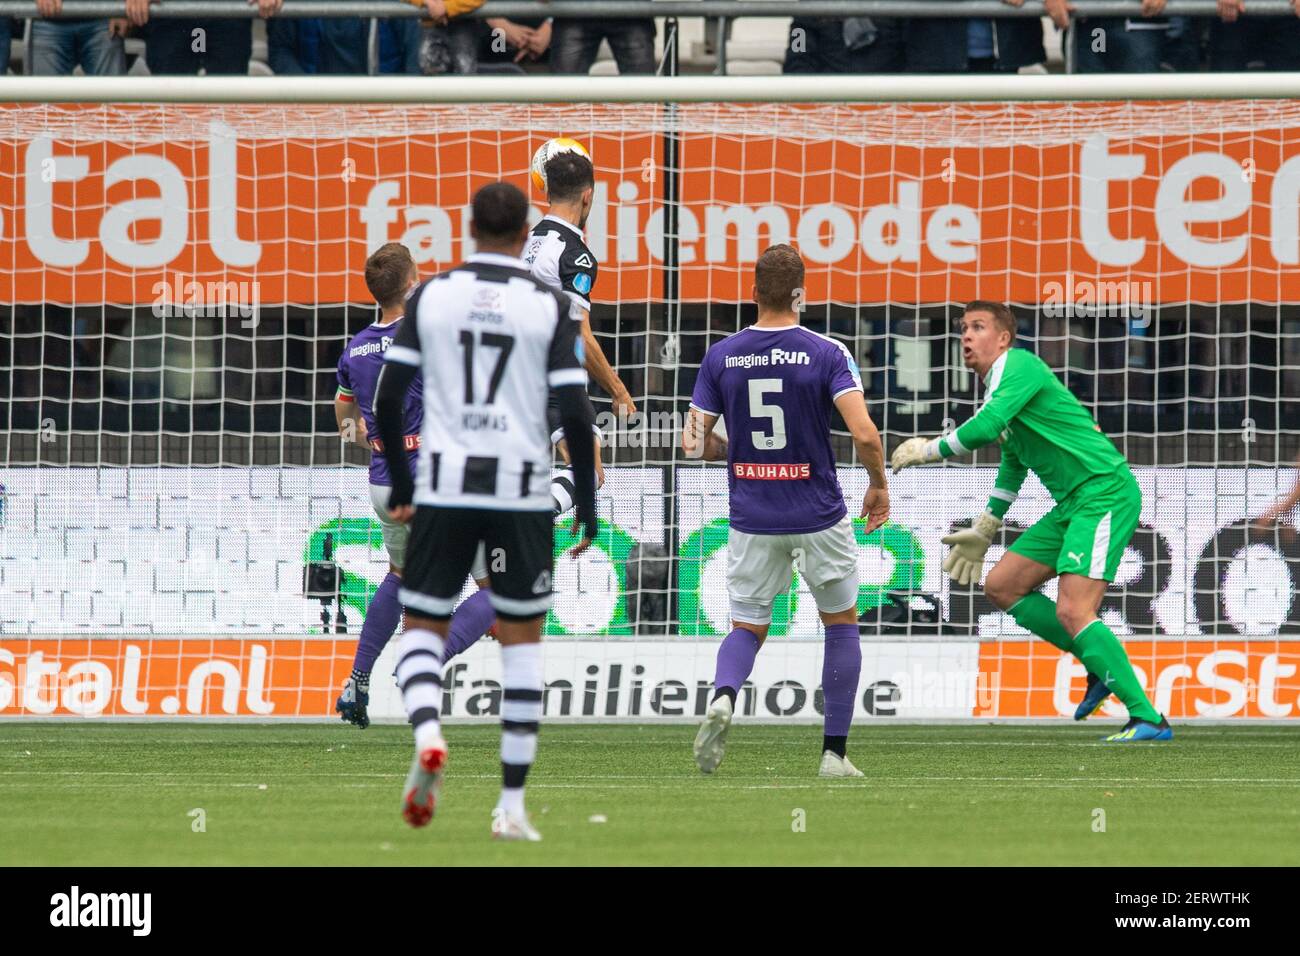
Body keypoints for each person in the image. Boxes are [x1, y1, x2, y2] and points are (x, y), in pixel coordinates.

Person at [373, 182, 597, 840]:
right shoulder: (550, 303)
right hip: (522, 489)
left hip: (444, 486)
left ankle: (430, 734)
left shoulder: (433, 294)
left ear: (469, 228)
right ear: (525, 230)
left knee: (420, 629)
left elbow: (389, 399)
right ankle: (511, 808)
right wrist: (583, 496)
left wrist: (407, 484)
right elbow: (576, 412)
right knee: (523, 648)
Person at [891, 302, 1171, 740]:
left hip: (1103, 493)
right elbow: (1012, 463)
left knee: (1074, 609)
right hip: (1072, 504)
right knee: (1001, 586)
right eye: (963, 328)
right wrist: (987, 528)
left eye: (978, 327)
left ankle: (1148, 718)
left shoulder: (1017, 366)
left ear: (1003, 338)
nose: (966, 335)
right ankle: (1097, 663)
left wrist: (930, 450)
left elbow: (985, 429)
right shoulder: (1000, 389)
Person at [684, 244, 890, 778]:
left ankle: (725, 697)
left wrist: (739, 449)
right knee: (841, 625)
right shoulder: (827, 352)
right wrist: (878, 485)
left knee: (747, 626)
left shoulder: (720, 355)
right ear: (802, 294)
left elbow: (692, 444)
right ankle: (832, 755)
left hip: (752, 515)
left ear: (753, 293)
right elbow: (865, 434)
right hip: (817, 512)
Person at [437, 144, 633, 666]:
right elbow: (580, 334)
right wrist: (615, 388)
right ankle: (532, 518)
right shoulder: (576, 254)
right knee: (590, 474)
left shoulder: (528, 241)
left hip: (502, 385)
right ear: (588, 196)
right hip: (550, 382)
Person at [332, 243, 440, 729]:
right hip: (428, 474)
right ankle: (418, 672)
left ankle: (357, 677)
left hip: (381, 478)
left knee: (400, 574)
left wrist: (368, 440)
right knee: (480, 580)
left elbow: (343, 413)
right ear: (412, 281)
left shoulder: (355, 348)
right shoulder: (423, 337)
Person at [124, 0, 281, 75]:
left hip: (229, 13)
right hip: (169, 13)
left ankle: (222, 140)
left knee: (228, 101)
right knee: (171, 100)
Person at [30, 0, 126, 76]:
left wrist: (122, 6)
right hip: (48, 17)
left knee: (111, 94)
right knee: (46, 95)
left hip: (104, 15)